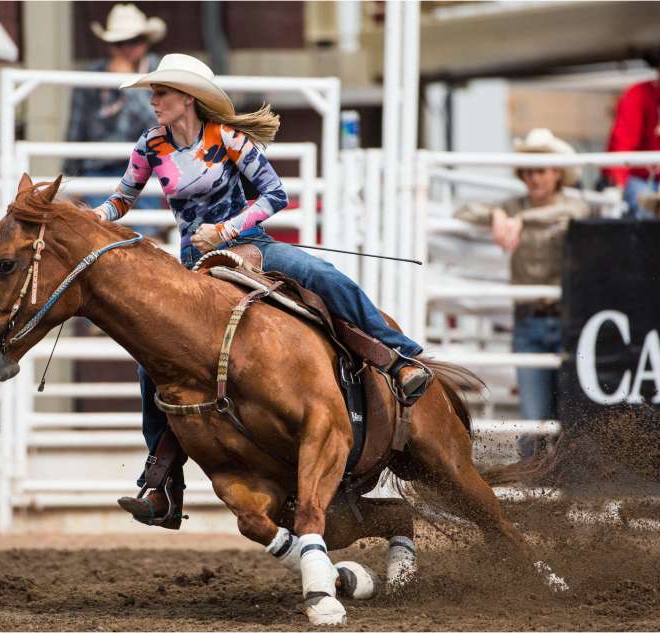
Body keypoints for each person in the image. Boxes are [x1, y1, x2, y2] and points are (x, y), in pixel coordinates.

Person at [89, 53, 431, 527]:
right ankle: (163, 481)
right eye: (154, 92)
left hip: (250, 247)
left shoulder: (228, 140)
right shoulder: (150, 144)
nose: (154, 100)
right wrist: (94, 218)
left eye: (161, 92)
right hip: (193, 266)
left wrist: (226, 231)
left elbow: (275, 196)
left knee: (326, 278)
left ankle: (400, 358)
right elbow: (123, 198)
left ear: (187, 97)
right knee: (154, 363)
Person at [455, 128, 590, 459]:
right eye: (528, 171)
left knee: (571, 411)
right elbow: (463, 211)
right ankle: (535, 492)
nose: (534, 178)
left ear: (556, 174)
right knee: (533, 416)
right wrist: (497, 215)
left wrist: (516, 219)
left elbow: (576, 213)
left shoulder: (567, 206)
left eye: (540, 170)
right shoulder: (513, 208)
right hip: (531, 320)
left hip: (567, 320)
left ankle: (567, 485)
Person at [64, 4, 164, 213]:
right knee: (98, 232)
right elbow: (77, 130)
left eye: (134, 41)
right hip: (98, 170)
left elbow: (159, 124)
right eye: (120, 43)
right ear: (111, 46)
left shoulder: (159, 72)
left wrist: (127, 83)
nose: (127, 48)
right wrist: (71, 180)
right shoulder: (93, 76)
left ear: (145, 43)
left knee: (143, 235)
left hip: (148, 168)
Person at [603, 36, 660, 217]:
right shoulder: (638, 95)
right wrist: (618, 184)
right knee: (645, 211)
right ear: (659, 70)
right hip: (641, 180)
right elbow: (622, 144)